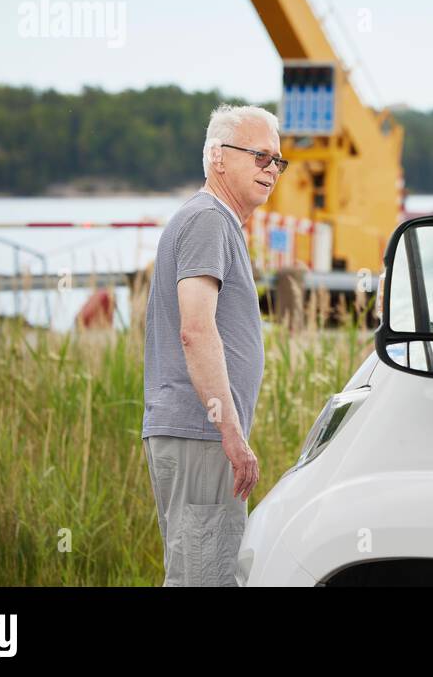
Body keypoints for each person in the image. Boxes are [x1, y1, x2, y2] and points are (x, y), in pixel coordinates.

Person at [141, 104, 284, 586]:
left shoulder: (215, 221)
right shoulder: (209, 220)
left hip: (200, 435)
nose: (272, 169)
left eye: (278, 161)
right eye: (261, 156)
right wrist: (230, 431)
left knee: (201, 572)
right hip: (202, 434)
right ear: (219, 157)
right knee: (205, 577)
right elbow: (195, 329)